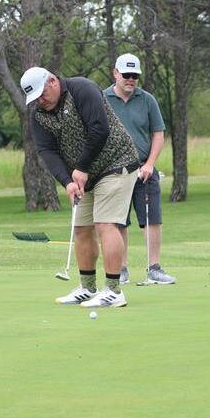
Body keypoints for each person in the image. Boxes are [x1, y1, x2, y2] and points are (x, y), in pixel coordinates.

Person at [20, 66, 140, 308]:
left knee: (105, 223)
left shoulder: (82, 89)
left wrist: (82, 167)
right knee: (82, 228)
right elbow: (47, 151)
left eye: (42, 94)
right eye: (35, 99)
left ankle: (114, 291)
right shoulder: (39, 115)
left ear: (53, 81)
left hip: (117, 162)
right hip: (83, 175)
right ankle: (87, 288)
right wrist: (67, 182)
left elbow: (99, 128)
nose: (40, 101)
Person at [104, 53, 176, 285]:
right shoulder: (102, 99)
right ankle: (121, 269)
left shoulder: (147, 100)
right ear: (116, 73)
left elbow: (158, 134)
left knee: (152, 219)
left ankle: (154, 268)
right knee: (118, 221)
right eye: (126, 75)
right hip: (114, 172)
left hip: (144, 170)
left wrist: (150, 164)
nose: (131, 79)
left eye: (135, 75)